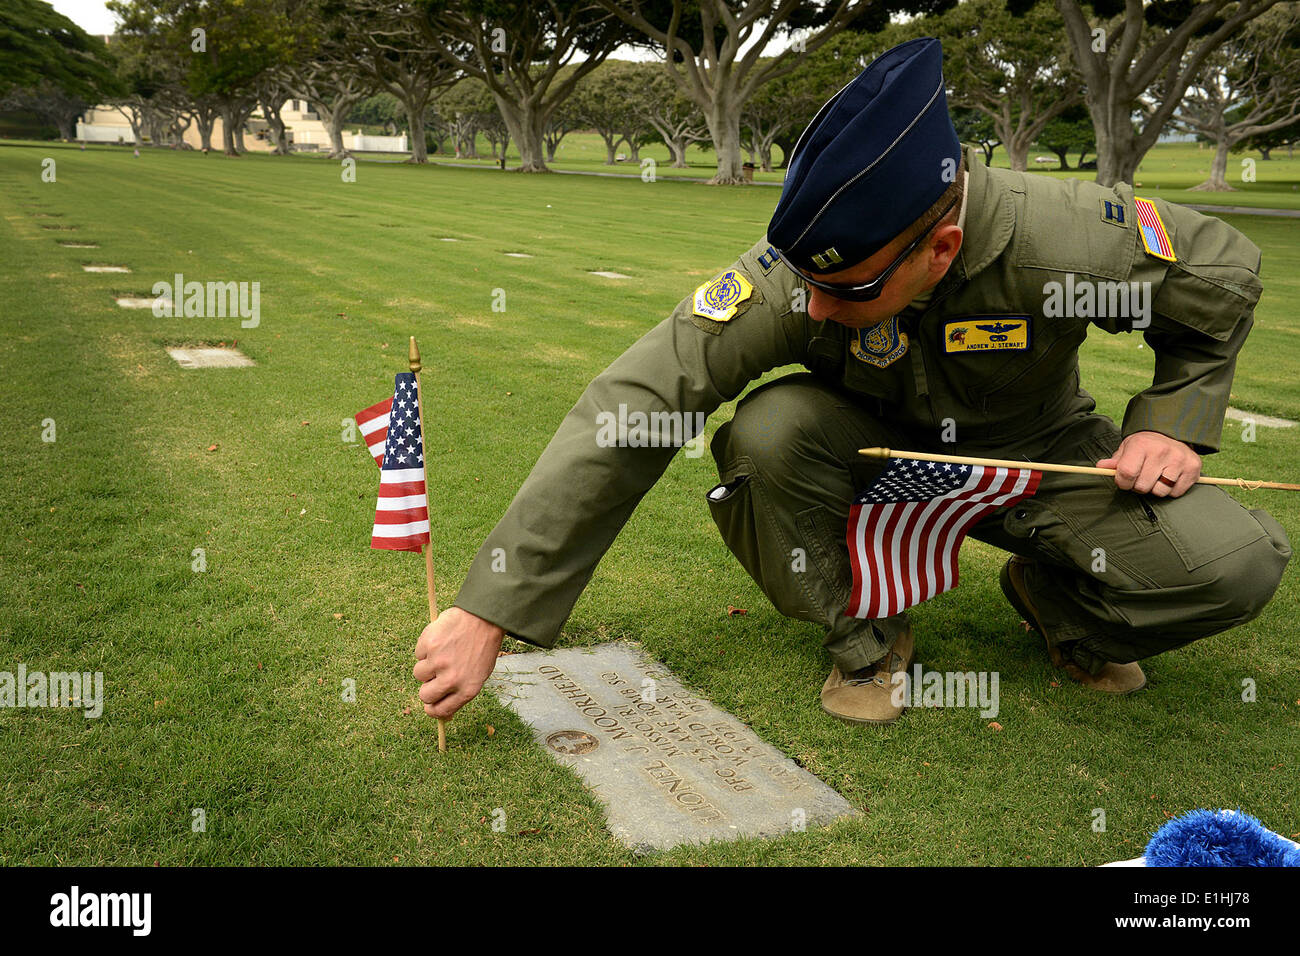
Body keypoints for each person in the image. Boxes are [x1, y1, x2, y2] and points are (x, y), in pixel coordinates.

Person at [413, 37, 1291, 726]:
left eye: (851, 292)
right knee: (767, 430)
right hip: (874, 457)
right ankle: (867, 640)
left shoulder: (1069, 240)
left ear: (941, 247)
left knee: (1238, 568)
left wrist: (1171, 418)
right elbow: (637, 402)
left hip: (1041, 456)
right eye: (812, 288)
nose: (818, 313)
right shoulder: (799, 275)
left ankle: (1059, 600)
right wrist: (490, 609)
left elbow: (1220, 277)